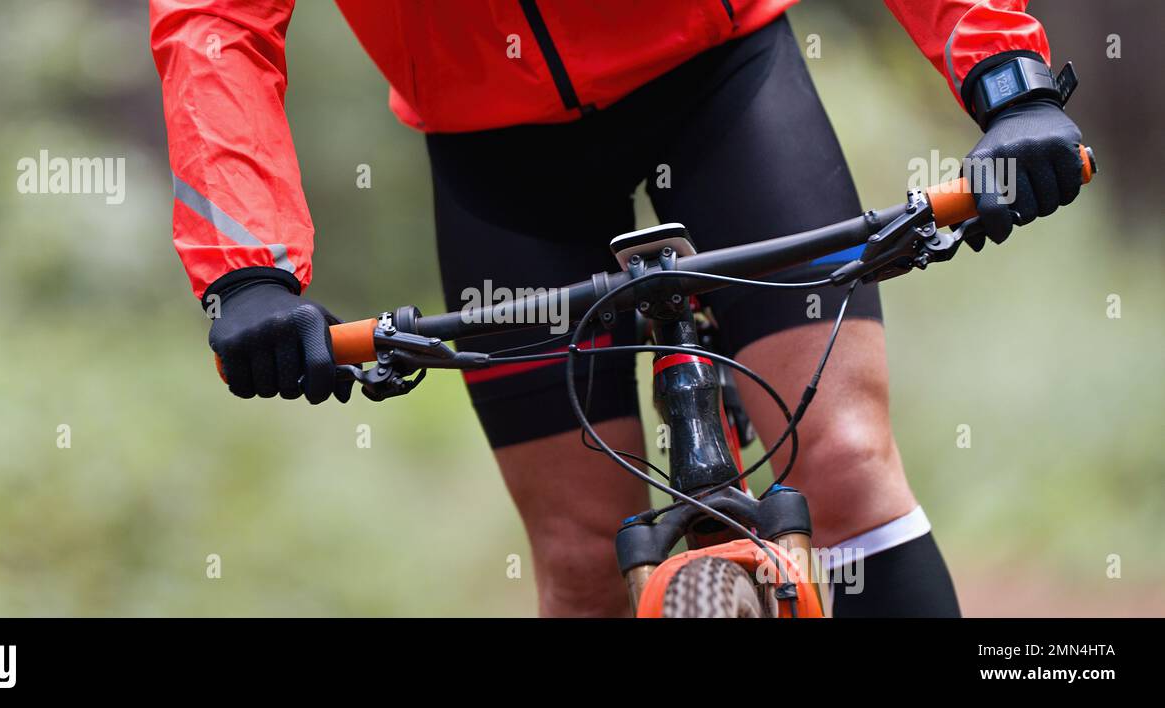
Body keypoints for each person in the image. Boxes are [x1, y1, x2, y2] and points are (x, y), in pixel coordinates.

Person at [150, 1, 1085, 617]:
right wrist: (248, 271)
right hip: (495, 153)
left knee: (842, 467)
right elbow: (213, 21)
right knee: (582, 561)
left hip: (719, 79)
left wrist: (1008, 80)